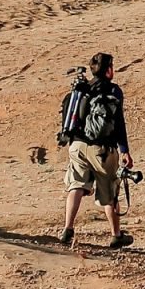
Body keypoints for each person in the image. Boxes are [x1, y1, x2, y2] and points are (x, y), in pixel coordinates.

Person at [56, 51, 134, 248]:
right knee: (110, 192)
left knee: (76, 185)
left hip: (76, 146)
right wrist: (124, 150)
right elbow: (118, 123)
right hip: (101, 149)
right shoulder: (113, 91)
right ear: (108, 70)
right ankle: (116, 235)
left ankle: (67, 229)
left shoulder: (82, 90)